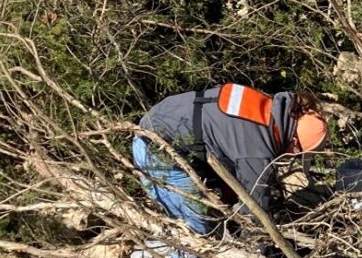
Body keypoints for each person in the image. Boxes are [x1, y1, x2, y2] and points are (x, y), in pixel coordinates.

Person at [132, 83, 328, 235]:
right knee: (193, 226)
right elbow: (255, 210)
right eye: (298, 153)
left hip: (162, 118)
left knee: (209, 217)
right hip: (156, 147)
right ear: (294, 141)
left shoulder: (267, 109)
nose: (293, 157)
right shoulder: (257, 149)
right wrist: (260, 248)